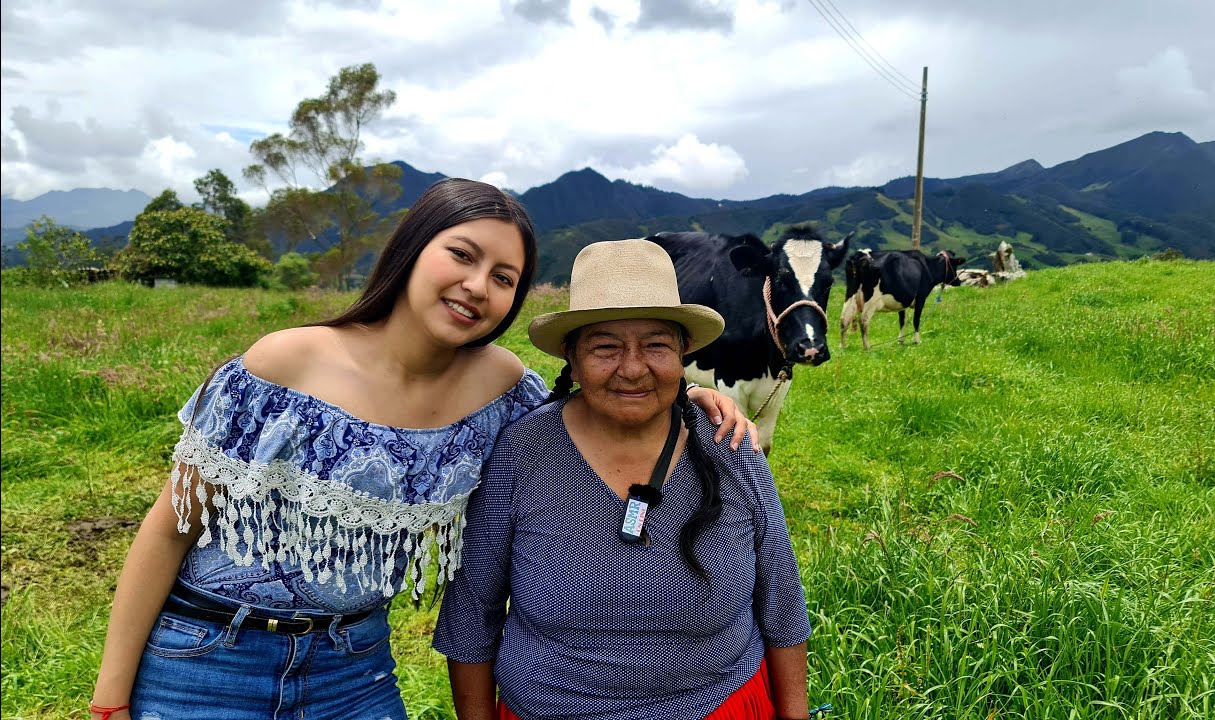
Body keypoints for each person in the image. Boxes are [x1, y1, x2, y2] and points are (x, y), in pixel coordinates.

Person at [89, 180, 756, 720]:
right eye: (461, 256)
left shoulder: (504, 392)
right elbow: (169, 530)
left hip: (354, 670)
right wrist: (110, 697)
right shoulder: (286, 362)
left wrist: (685, 400)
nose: (476, 286)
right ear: (412, 250)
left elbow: (596, 408)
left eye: (503, 276)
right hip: (206, 657)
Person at [434, 239, 812, 720]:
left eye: (656, 345)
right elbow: (471, 613)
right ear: (571, 357)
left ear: (684, 352)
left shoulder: (730, 448)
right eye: (605, 347)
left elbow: (782, 604)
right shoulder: (521, 453)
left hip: (719, 704)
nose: (633, 369)